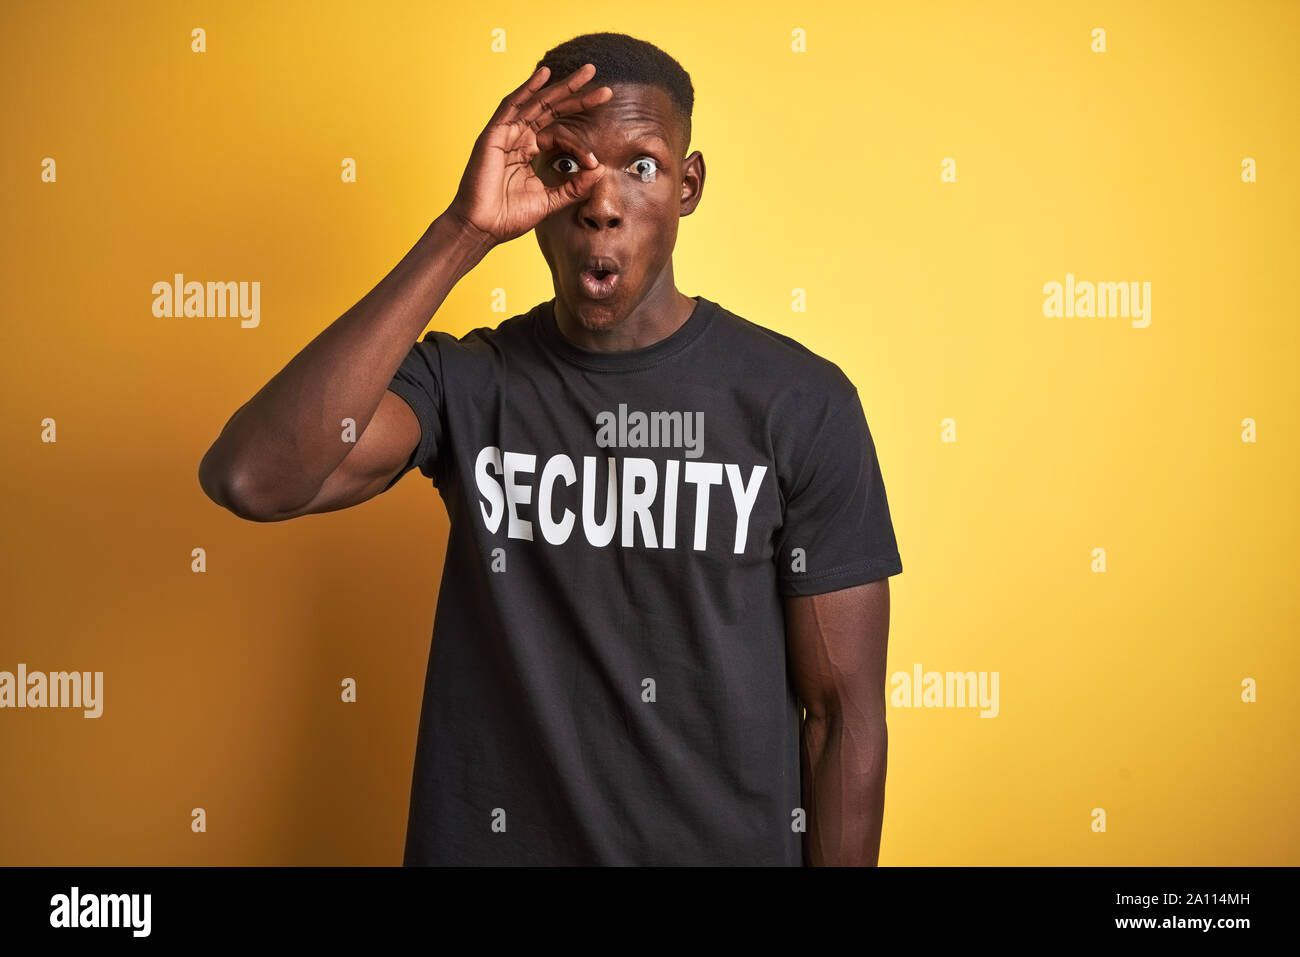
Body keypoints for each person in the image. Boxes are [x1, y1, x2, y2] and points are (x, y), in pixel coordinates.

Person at [198, 32, 902, 866]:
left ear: (689, 185)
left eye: (641, 165)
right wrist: (460, 232)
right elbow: (252, 476)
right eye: (569, 167)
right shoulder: (468, 385)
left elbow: (844, 720)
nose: (601, 204)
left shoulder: (799, 403)